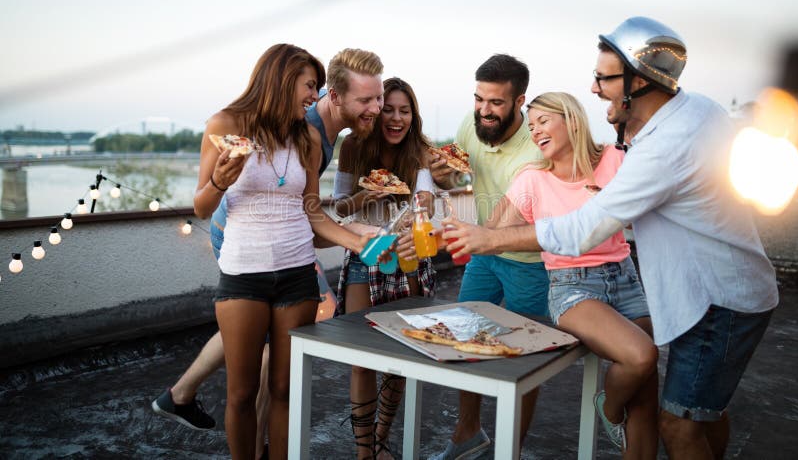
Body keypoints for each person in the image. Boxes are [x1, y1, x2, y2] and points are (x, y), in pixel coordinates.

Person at [442, 17, 780, 460]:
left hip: (714, 299)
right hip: (705, 289)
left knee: (679, 424)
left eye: (604, 78)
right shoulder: (699, 111)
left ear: (638, 81)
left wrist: (485, 240)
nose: (596, 87)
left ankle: (613, 409)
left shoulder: (653, 148)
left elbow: (586, 228)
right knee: (701, 412)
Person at [152, 47, 386, 459]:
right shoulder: (224, 125)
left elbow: (312, 213)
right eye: (309, 85)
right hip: (244, 273)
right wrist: (220, 182)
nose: (314, 96)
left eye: (317, 86)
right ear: (281, 78)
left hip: (297, 274)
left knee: (284, 389)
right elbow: (202, 207)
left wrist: (358, 239)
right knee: (241, 394)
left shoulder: (307, 137)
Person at [494, 91, 658, 457]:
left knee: (646, 398)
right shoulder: (532, 179)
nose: (535, 131)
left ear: (570, 119)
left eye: (543, 121)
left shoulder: (616, 159)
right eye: (531, 125)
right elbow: (493, 233)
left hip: (626, 278)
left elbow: (647, 212)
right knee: (642, 356)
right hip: (572, 287)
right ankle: (609, 407)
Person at [428, 54, 549, 460]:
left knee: (523, 359)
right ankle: (468, 433)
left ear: (520, 101)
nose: (484, 110)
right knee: (463, 339)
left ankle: (510, 450)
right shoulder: (472, 122)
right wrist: (442, 172)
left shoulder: (538, 143)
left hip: (530, 264)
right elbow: (453, 171)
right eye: (479, 98)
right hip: (484, 254)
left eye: (496, 102)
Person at [333, 77, 437, 459]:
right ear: (376, 113)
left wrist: (417, 213)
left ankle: (381, 439)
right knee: (363, 358)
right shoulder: (353, 146)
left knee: (400, 356)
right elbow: (340, 208)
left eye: (404, 110)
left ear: (413, 114)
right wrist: (365, 195)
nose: (396, 118)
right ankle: (364, 452)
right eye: (388, 109)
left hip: (408, 254)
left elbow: (424, 202)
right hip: (366, 253)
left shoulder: (420, 150)